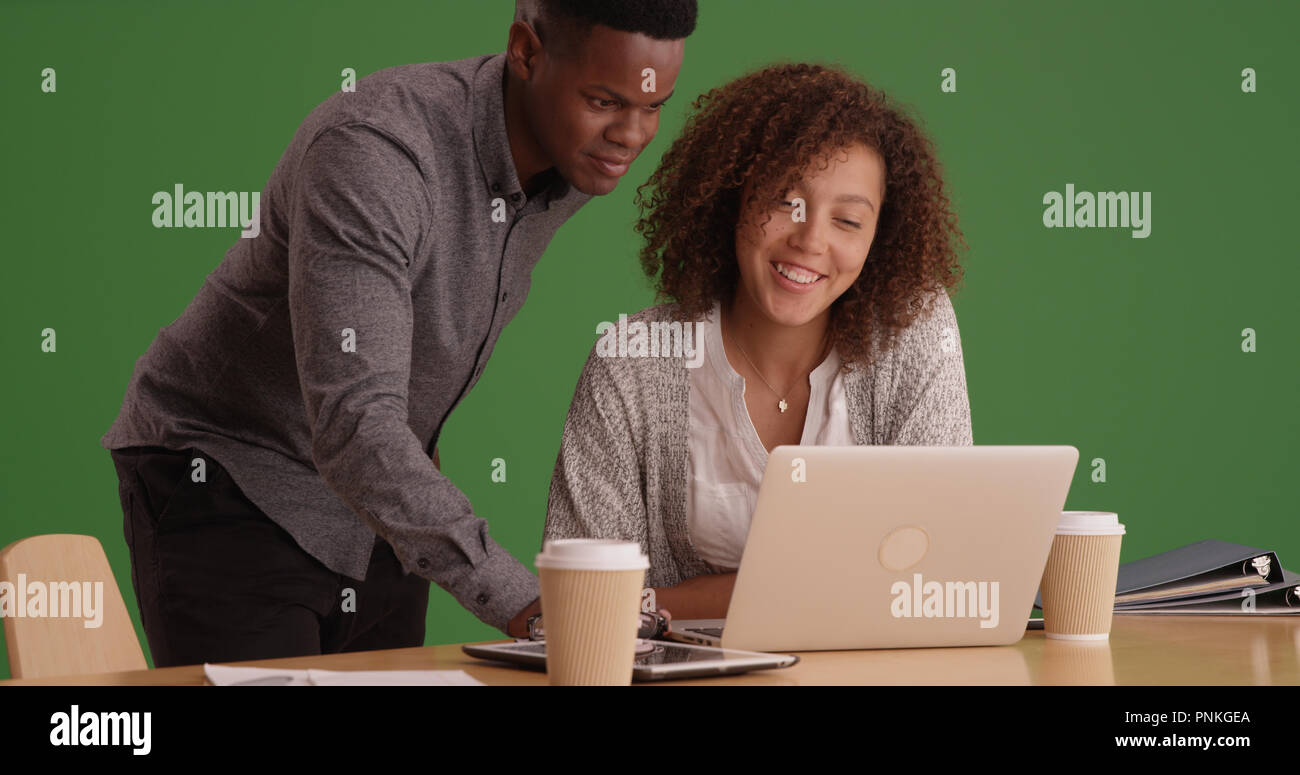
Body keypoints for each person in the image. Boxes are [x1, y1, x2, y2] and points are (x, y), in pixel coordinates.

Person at [101, 0, 698, 666]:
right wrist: (533, 605)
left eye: (655, 107)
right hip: (234, 474)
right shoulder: (375, 151)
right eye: (605, 101)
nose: (632, 135)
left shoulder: (575, 155)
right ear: (526, 52)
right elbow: (356, 420)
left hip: (377, 509)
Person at [543, 63, 972, 621]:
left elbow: (938, 570)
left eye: (847, 221)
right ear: (732, 198)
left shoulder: (912, 330)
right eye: (785, 202)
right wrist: (839, 583)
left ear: (878, 240)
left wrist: (665, 602)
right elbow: (580, 602)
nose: (810, 240)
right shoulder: (634, 360)